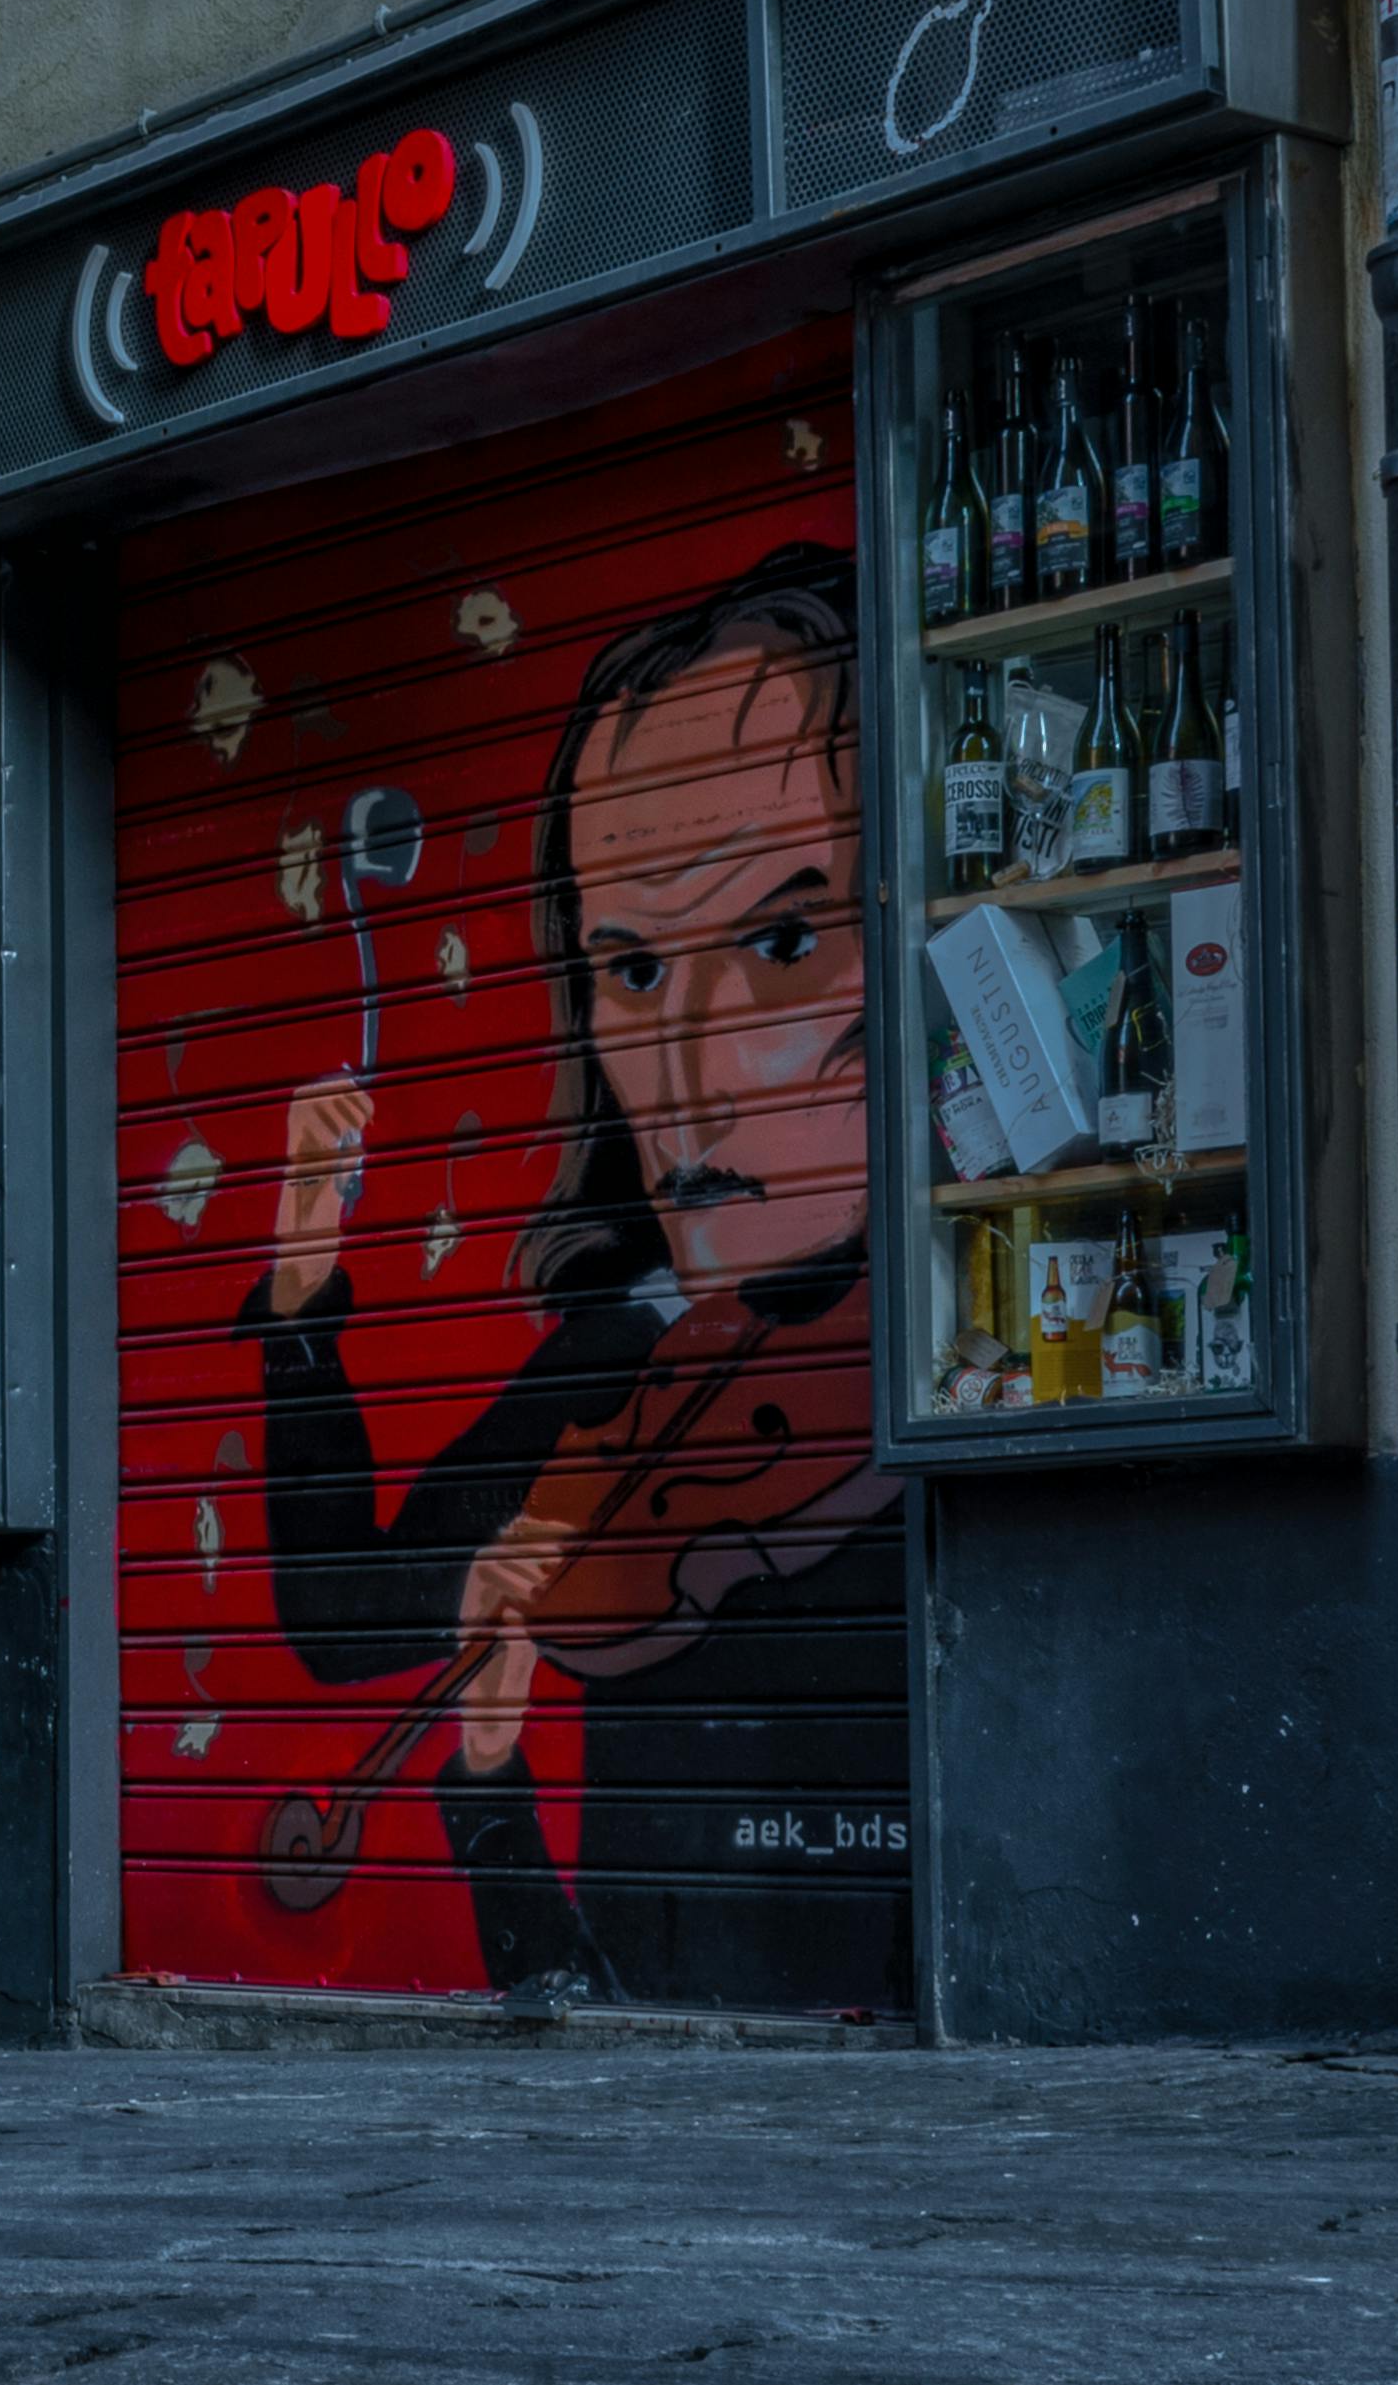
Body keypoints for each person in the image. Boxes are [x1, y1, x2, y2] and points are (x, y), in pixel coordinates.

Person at [243, 541, 907, 2010]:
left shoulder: (953, 1365)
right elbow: (340, 1621)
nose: (683, 1080)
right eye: (629, 969)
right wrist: (301, 1265)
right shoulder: (621, 1353)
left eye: (782, 940)